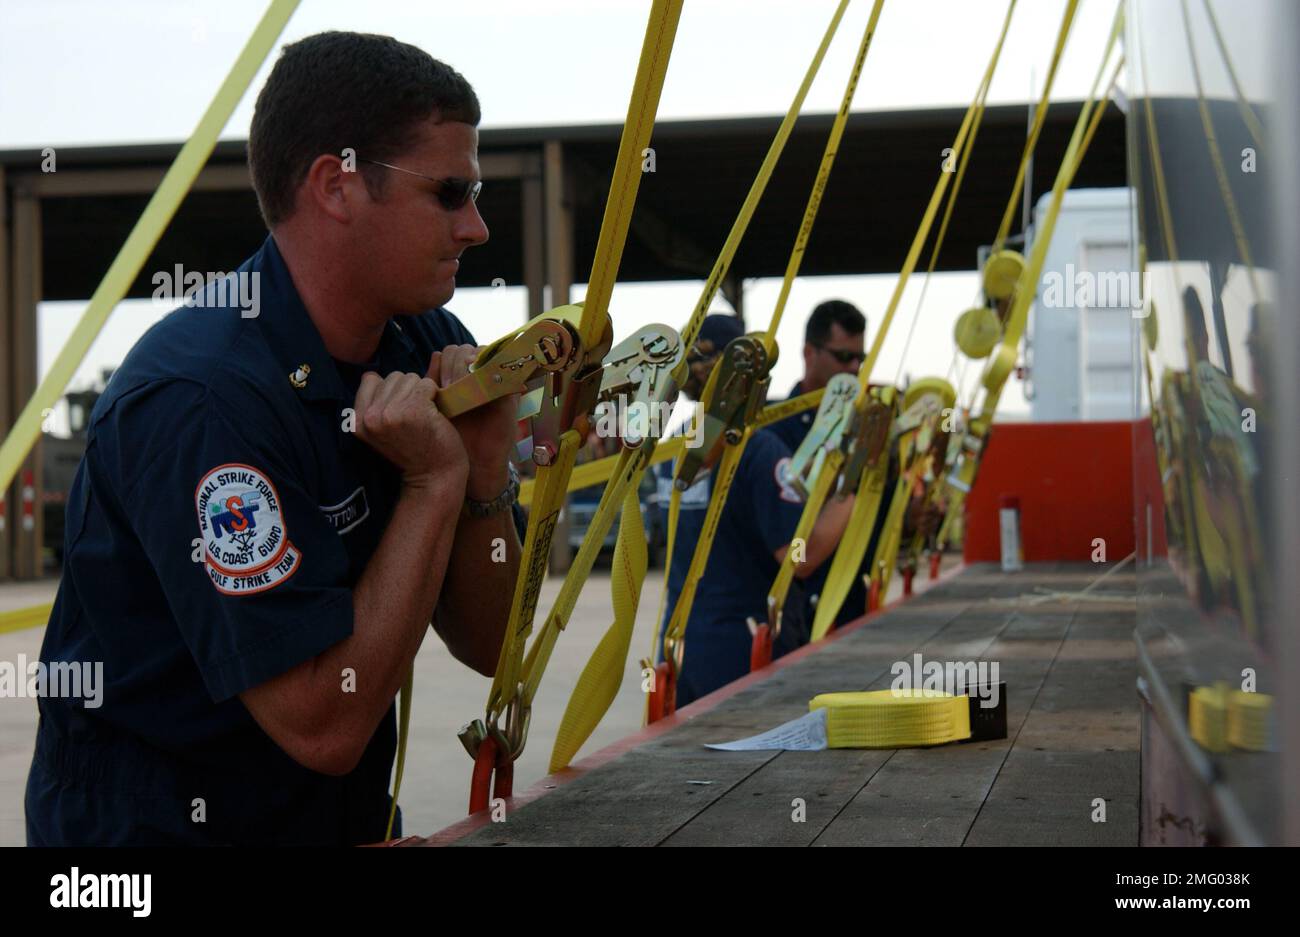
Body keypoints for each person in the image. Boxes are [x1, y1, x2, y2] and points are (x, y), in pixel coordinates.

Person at [25, 32, 523, 846]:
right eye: (450, 192)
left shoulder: (422, 341)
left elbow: (498, 648)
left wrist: (484, 474)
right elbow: (323, 725)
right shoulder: (203, 399)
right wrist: (435, 481)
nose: (477, 227)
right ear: (337, 185)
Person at [655, 315, 855, 707]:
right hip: (745, 653)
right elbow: (801, 556)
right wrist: (853, 488)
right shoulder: (757, 450)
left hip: (681, 648)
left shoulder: (674, 450)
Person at [766, 300, 887, 627]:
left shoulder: (869, 427)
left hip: (858, 614)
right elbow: (793, 555)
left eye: (860, 359)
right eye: (843, 356)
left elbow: (883, 513)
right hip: (793, 619)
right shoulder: (770, 433)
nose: (853, 369)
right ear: (809, 352)